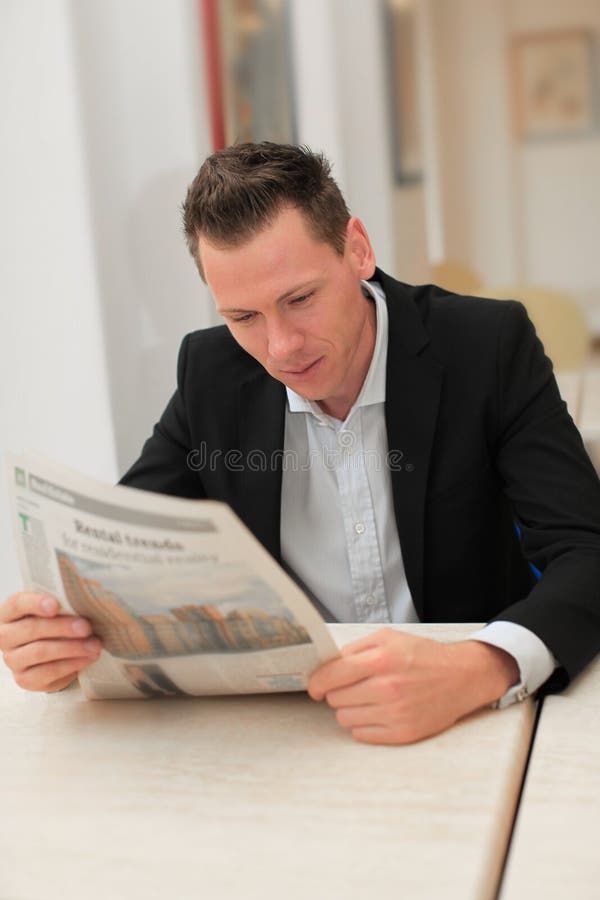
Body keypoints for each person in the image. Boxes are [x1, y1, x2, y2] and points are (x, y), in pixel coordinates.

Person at [1, 143, 599, 745]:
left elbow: (588, 550)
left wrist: (479, 666)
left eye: (300, 299)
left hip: (473, 721)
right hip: (292, 730)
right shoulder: (211, 374)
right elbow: (122, 558)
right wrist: (58, 639)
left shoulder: (486, 346)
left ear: (357, 249)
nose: (281, 347)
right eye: (244, 316)